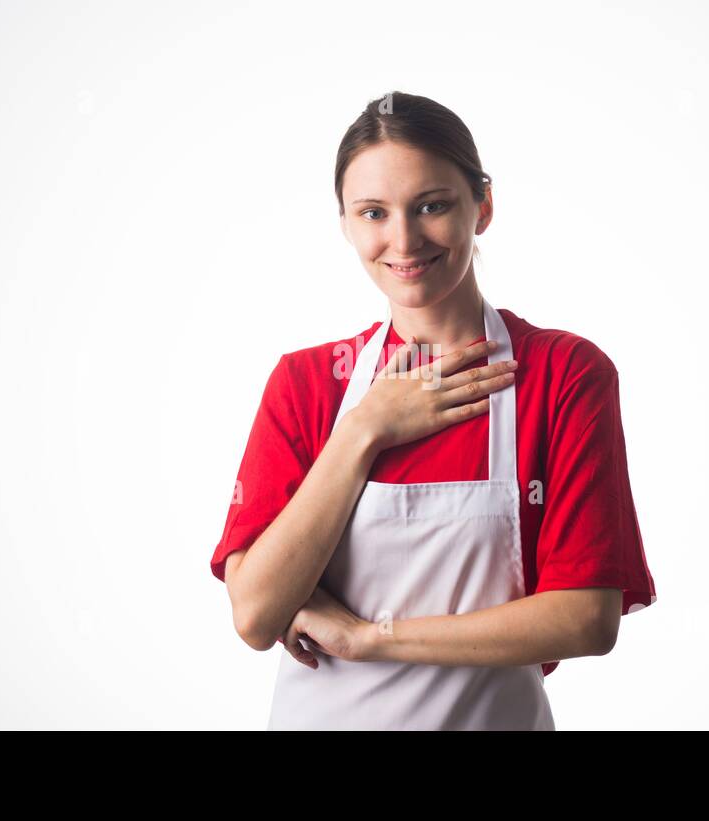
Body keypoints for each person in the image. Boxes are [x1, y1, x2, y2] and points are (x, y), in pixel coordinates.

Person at [210, 91, 656, 730]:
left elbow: (585, 617)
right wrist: (364, 429)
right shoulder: (307, 384)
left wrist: (369, 638)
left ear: (484, 205)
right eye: (372, 212)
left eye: (432, 205)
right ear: (344, 224)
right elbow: (255, 614)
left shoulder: (563, 375)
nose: (404, 239)